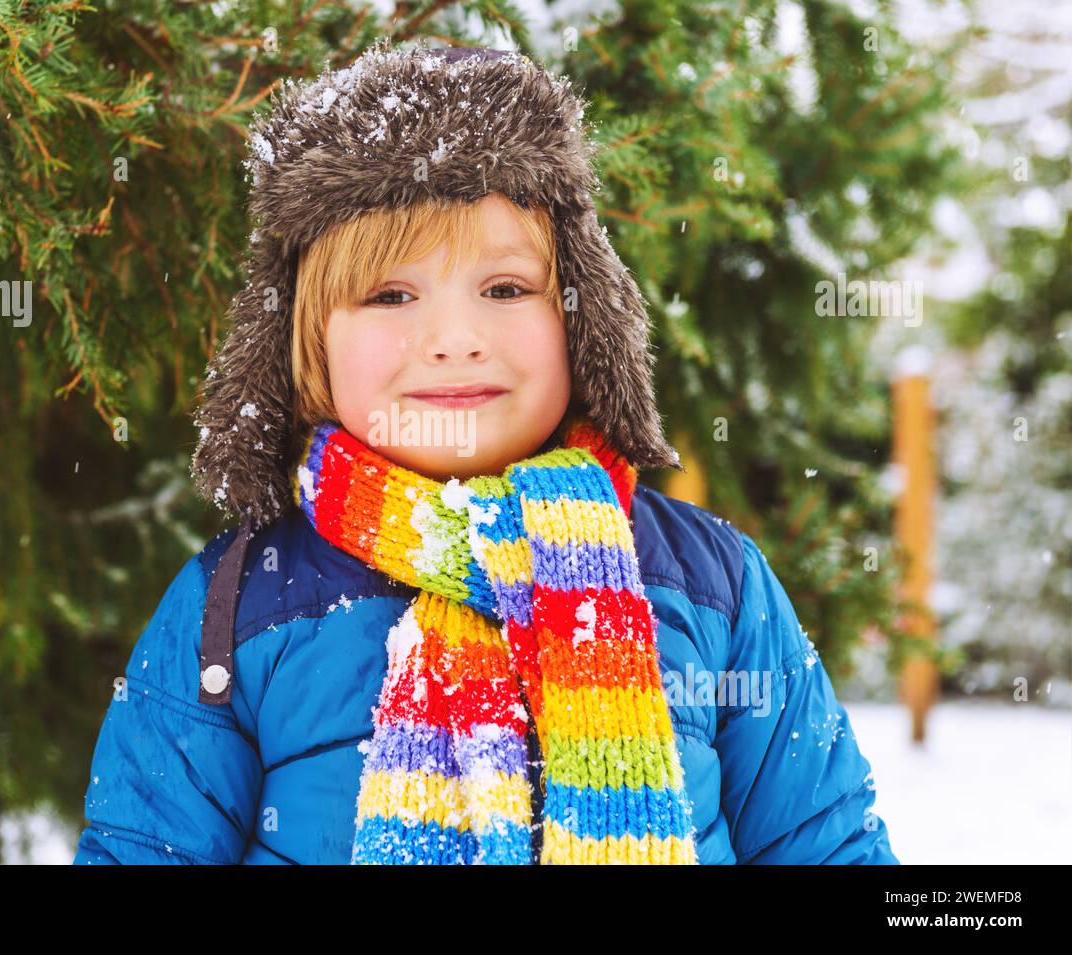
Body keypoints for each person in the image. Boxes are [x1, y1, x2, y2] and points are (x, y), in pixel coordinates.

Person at [73, 40, 898, 865]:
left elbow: (828, 846)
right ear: (311, 339)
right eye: (391, 294)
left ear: (583, 316)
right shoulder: (236, 607)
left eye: (504, 290)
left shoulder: (713, 586)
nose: (456, 340)